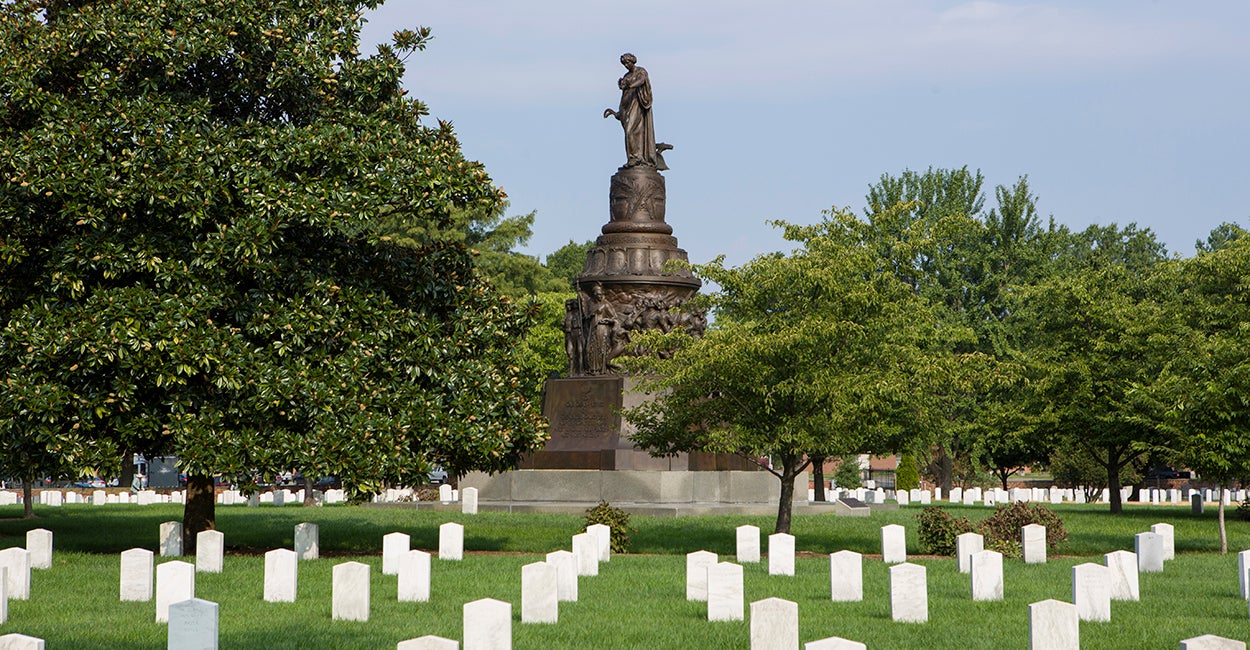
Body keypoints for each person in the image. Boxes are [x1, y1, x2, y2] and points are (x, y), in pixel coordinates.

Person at [603, 53, 657, 167]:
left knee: (630, 131)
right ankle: (633, 157)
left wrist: (630, 85)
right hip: (627, 108)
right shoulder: (626, 76)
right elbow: (624, 98)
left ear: (633, 61)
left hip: (637, 106)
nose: (626, 65)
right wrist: (616, 113)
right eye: (624, 64)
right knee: (629, 132)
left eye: (628, 62)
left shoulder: (640, 72)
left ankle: (636, 157)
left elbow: (641, 81)